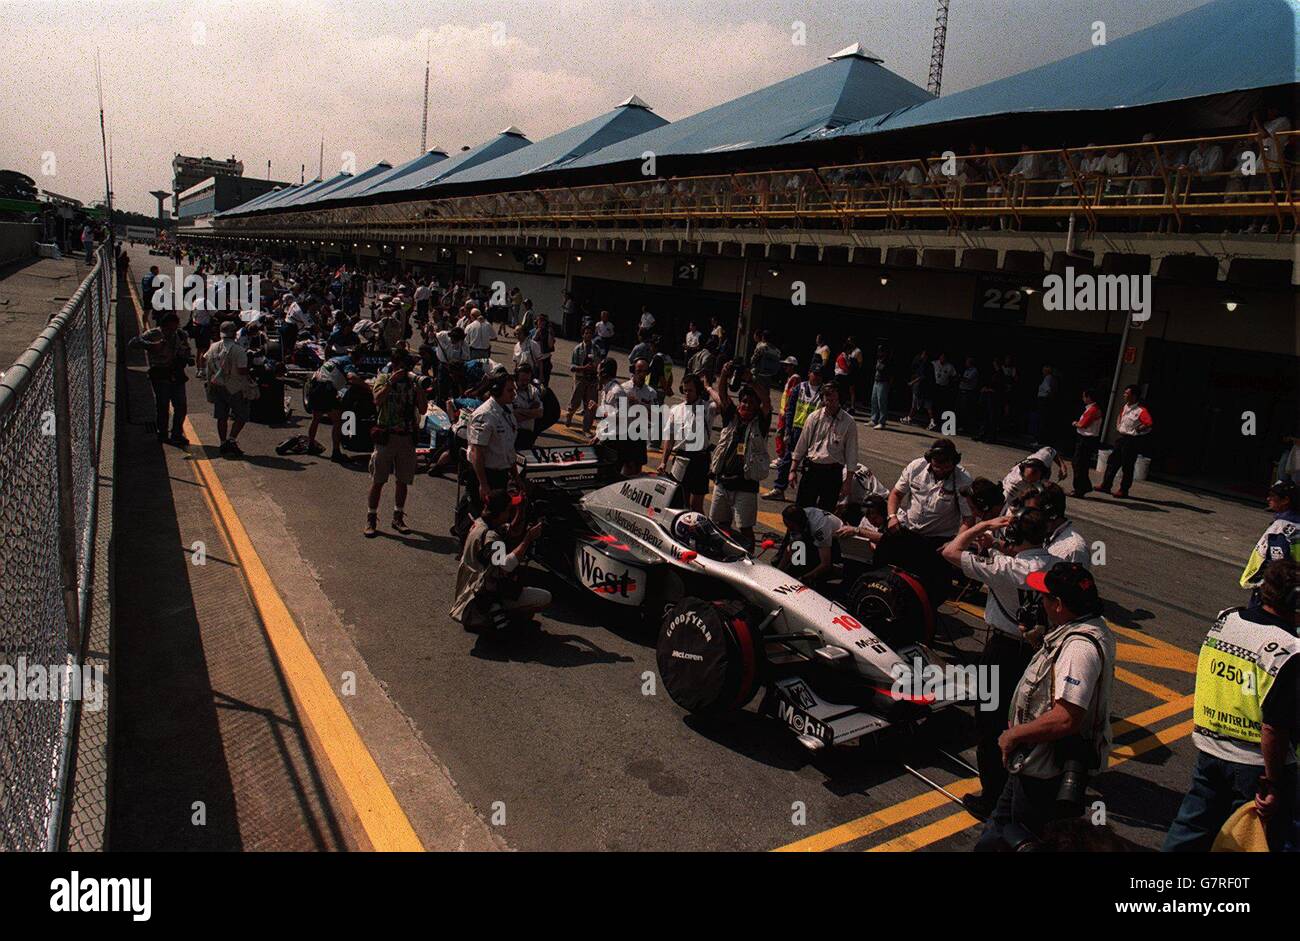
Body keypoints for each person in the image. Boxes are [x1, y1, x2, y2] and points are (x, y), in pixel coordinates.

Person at [974, 562, 1115, 852]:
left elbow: (1067, 718)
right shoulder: (1087, 627)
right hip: (1030, 760)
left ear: (1060, 604)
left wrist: (1013, 735)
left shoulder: (1078, 649)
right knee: (1000, 829)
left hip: (1042, 767)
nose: (1041, 602)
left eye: (1045, 597)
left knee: (1024, 837)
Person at [1163, 561, 1298, 852]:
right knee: (1254, 841)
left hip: (1210, 750)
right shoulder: (1289, 650)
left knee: (1189, 831)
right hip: (1255, 766)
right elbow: (1274, 728)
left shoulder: (1227, 619)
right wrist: (1273, 783)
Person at [942, 508, 1056, 819]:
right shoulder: (1057, 565)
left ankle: (993, 798)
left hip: (1003, 653)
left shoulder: (1004, 567)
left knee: (989, 722)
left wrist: (984, 525)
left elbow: (950, 551)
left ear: (1014, 537)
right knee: (1026, 720)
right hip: (1040, 653)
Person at [450, 489, 549, 633]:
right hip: (477, 596)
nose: (510, 513)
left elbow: (512, 531)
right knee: (544, 598)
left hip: (472, 588)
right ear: (500, 513)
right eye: (509, 510)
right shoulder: (490, 537)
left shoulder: (481, 523)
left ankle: (494, 614)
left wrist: (520, 509)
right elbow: (505, 567)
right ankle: (492, 619)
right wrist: (528, 539)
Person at [707, 362, 771, 552]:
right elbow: (724, 397)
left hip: (746, 486)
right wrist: (725, 375)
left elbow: (766, 402)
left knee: (745, 528)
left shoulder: (761, 424)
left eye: (751, 403)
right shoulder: (732, 417)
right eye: (744, 401)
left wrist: (751, 380)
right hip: (723, 482)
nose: (746, 405)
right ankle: (721, 553)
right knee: (719, 523)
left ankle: (748, 557)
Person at [364, 349, 426, 538]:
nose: (406, 369)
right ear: (395, 365)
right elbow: (377, 400)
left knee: (403, 480)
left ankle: (398, 517)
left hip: (406, 437)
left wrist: (420, 390)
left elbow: (422, 409)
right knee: (378, 480)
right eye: (403, 365)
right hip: (387, 436)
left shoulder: (412, 383)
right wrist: (392, 381)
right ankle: (371, 518)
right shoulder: (384, 379)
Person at [789, 380, 857, 512]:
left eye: (834, 400)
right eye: (827, 399)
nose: (830, 403)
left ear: (840, 400)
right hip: (812, 470)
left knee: (825, 513)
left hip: (832, 473)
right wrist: (793, 470)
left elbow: (851, 454)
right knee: (802, 510)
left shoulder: (849, 422)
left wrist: (848, 482)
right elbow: (801, 445)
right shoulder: (814, 417)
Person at [128, 311, 193, 445]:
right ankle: (162, 433)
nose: (172, 332)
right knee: (162, 406)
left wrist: (186, 357)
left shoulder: (180, 335)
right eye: (169, 329)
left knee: (181, 406)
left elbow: (187, 351)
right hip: (160, 375)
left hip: (177, 374)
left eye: (174, 328)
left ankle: (176, 433)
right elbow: (133, 343)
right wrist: (151, 345)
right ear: (163, 327)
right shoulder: (153, 334)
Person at [765, 362, 824, 502]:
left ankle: (808, 495)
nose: (816, 377)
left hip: (815, 432)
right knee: (787, 460)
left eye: (819, 375)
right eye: (814, 374)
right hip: (797, 429)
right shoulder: (800, 388)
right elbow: (790, 409)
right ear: (809, 373)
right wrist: (787, 430)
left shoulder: (824, 391)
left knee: (811, 465)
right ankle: (779, 488)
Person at [661, 372, 718, 513]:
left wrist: (709, 388)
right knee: (679, 503)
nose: (687, 393)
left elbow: (722, 403)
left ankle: (699, 533)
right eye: (685, 390)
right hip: (680, 458)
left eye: (690, 390)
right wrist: (663, 461)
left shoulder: (707, 408)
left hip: (699, 459)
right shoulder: (676, 409)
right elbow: (670, 438)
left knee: (696, 506)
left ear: (698, 390)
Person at [1239, 479, 1300, 599]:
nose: (1268, 499)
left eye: (1272, 496)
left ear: (1285, 500)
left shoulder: (1280, 529)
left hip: (1273, 593)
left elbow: (1277, 568)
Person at [203, 320, 253, 457]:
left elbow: (206, 360)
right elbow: (242, 370)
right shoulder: (238, 350)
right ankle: (231, 439)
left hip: (217, 385)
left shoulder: (213, 347)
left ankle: (223, 442)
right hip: (234, 387)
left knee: (221, 416)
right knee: (242, 414)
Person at [1099, 384, 1153, 498]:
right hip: (1121, 438)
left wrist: (1139, 429)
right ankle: (1106, 485)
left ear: (1133, 396)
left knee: (1127, 466)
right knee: (1112, 462)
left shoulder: (1140, 410)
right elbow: (1119, 416)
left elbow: (1148, 423)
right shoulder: (1126, 406)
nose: (1124, 395)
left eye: (1126, 393)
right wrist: (1118, 426)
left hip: (1131, 441)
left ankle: (1123, 490)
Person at [305, 353, 358, 461]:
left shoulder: (334, 359)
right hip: (326, 389)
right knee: (337, 421)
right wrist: (367, 386)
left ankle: (310, 446)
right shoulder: (348, 362)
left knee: (316, 418)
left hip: (315, 386)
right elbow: (352, 377)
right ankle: (336, 452)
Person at [1020, 482, 1089, 564]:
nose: (1026, 517)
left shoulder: (1074, 550)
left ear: (1050, 513)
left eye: (1032, 512)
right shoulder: (1041, 534)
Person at [777, 504, 843, 586]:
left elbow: (825, 564)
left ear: (800, 524)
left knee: (808, 571)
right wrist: (778, 571)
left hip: (837, 544)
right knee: (795, 564)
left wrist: (802, 579)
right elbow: (791, 547)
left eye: (791, 527)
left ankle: (835, 570)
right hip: (816, 537)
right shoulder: (799, 516)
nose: (789, 529)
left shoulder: (819, 529)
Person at [1000, 446, 1068, 510]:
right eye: (1029, 481)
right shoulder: (1013, 483)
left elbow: (1052, 451)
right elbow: (1003, 504)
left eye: (1033, 481)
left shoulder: (1043, 457)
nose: (1031, 482)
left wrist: (1062, 466)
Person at [566, 324, 599, 432]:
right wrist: (583, 368)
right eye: (586, 333)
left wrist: (596, 368)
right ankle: (570, 414)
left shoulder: (596, 349)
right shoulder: (577, 349)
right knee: (575, 402)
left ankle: (586, 428)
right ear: (582, 335)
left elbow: (600, 363)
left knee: (590, 405)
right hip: (580, 378)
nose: (588, 335)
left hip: (592, 380)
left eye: (590, 333)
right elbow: (572, 367)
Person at [1069, 389, 1102, 497]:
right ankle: (1084, 485)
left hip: (1086, 440)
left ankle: (1079, 488)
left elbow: (1083, 424)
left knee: (1079, 464)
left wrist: (1075, 423)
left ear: (1089, 397)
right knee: (1080, 464)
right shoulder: (1091, 409)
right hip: (1086, 439)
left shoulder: (1092, 410)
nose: (1083, 399)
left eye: (1084, 396)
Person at [511, 362, 544, 450]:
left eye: (527, 380)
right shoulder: (509, 391)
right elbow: (513, 416)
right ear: (516, 377)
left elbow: (540, 413)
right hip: (512, 434)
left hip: (528, 433)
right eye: (522, 380)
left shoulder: (533, 391)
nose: (525, 383)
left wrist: (521, 411)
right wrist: (531, 412)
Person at [869, 346, 890, 430]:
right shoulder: (879, 360)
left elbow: (883, 370)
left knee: (881, 402)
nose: (879, 353)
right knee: (874, 400)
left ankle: (882, 422)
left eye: (880, 351)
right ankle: (874, 419)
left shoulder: (887, 361)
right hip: (876, 381)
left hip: (883, 382)